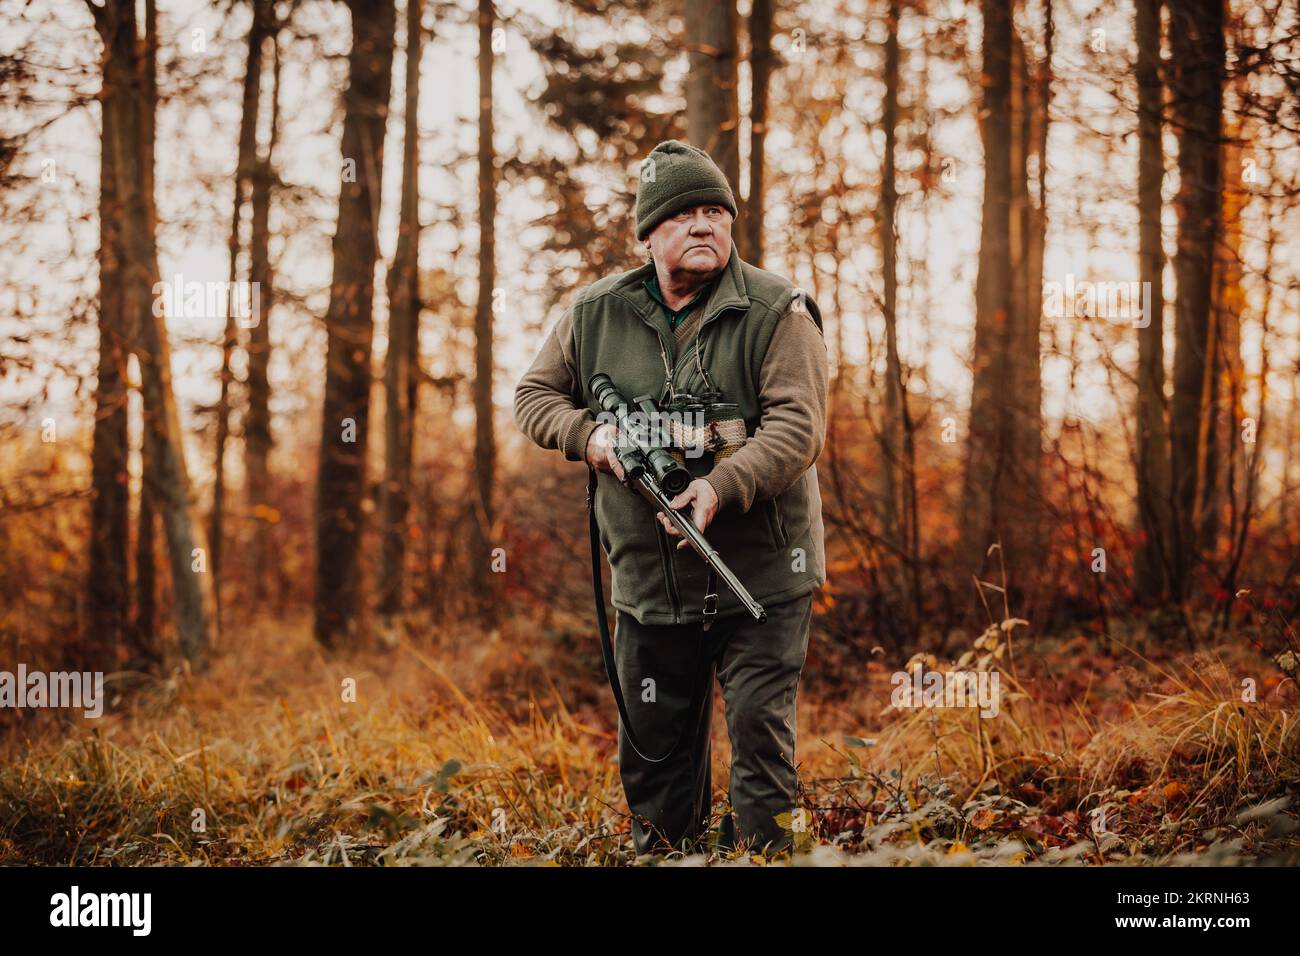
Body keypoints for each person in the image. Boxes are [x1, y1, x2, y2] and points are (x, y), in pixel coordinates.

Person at [513, 139, 828, 857]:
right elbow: (533, 397)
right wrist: (589, 439)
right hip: (651, 585)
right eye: (685, 213)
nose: (705, 225)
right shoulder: (594, 315)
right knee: (655, 760)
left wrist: (720, 486)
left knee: (759, 743)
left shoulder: (780, 311)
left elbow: (797, 429)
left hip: (762, 579)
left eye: (717, 211)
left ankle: (764, 858)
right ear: (649, 234)